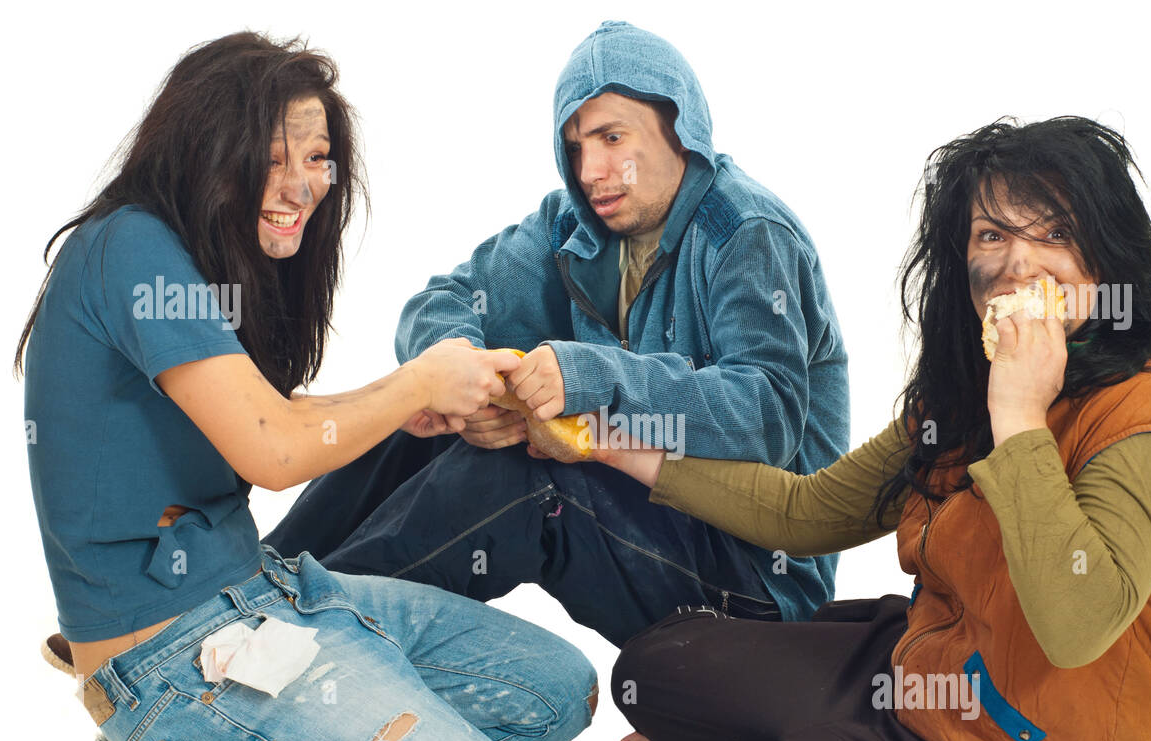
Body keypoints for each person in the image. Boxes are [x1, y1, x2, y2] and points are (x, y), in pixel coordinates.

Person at [17, 32, 597, 741]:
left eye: (319, 157)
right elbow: (273, 451)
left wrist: (402, 412)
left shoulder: (188, 258)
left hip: (270, 594)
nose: (301, 185)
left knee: (555, 689)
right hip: (171, 656)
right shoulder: (131, 246)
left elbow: (265, 415)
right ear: (206, 150)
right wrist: (419, 384)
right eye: (272, 156)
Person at [596, 117, 1151, 741]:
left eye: (1055, 233)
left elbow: (1077, 625)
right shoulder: (965, 393)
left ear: (1109, 255)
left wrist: (1021, 414)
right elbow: (807, 512)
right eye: (992, 235)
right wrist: (607, 443)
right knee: (655, 672)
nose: (1018, 262)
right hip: (931, 690)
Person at [262, 20, 850, 646]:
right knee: (418, 411)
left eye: (611, 137)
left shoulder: (748, 233)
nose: (592, 169)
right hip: (644, 515)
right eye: (574, 146)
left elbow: (768, 416)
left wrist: (590, 378)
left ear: (680, 129)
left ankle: (303, 638)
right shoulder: (570, 224)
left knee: (528, 478)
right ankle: (249, 590)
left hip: (754, 578)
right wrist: (462, 386)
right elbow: (441, 301)